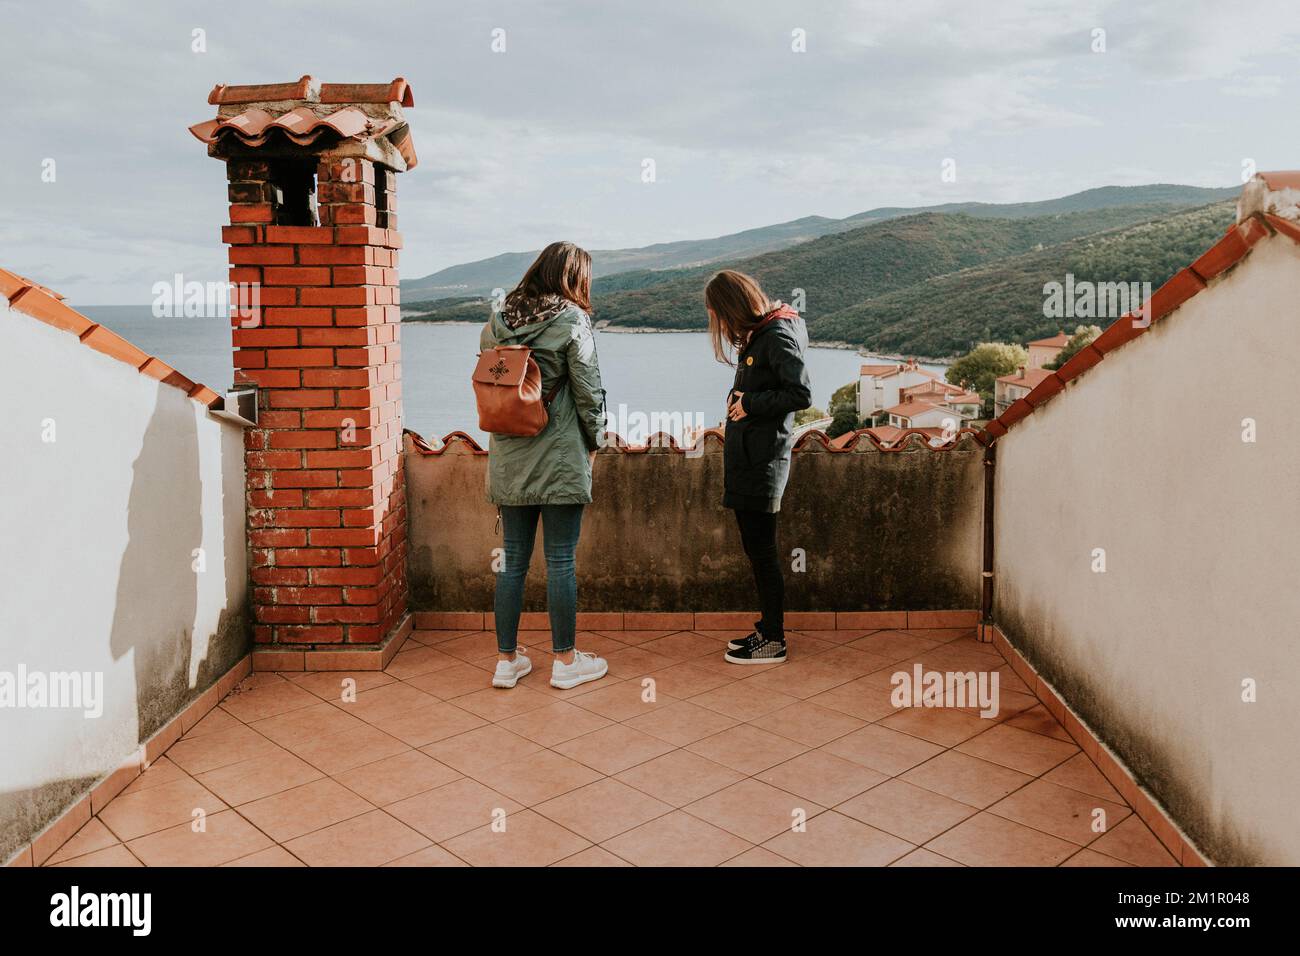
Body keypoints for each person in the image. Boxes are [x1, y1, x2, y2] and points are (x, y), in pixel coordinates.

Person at [481, 241, 609, 690]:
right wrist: (596, 442)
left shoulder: (497, 320)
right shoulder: (573, 321)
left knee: (512, 561)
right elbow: (589, 393)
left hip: (508, 455)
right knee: (560, 560)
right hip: (559, 458)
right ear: (574, 279)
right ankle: (566, 662)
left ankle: (506, 661)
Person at [704, 270, 812, 664]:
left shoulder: (776, 334)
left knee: (762, 552)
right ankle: (767, 630)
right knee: (757, 550)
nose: (716, 323)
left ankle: (774, 640)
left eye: (717, 314)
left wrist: (750, 404)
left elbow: (800, 393)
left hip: (762, 460)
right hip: (753, 456)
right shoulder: (766, 330)